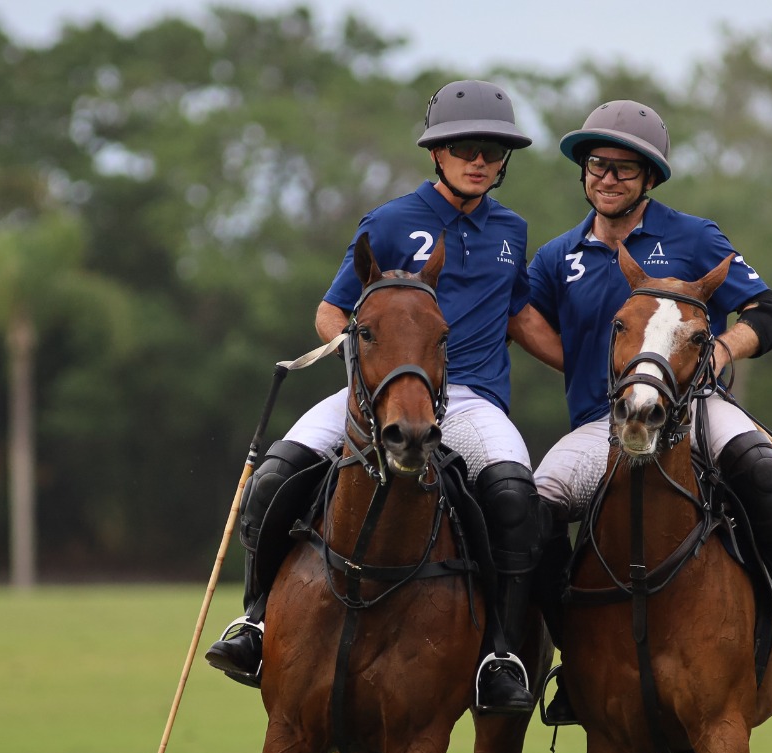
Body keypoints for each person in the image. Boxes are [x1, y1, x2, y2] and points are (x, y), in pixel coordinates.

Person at [205, 79, 553, 715]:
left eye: (494, 150)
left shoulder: (512, 229)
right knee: (276, 475)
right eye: (465, 148)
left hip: (471, 398)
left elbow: (520, 314)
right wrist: (369, 369)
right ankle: (255, 621)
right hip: (379, 396)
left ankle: (500, 654)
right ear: (437, 153)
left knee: (513, 495)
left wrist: (597, 367)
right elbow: (332, 311)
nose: (479, 160)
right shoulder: (391, 221)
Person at [522, 100, 772, 694]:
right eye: (598, 165)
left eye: (625, 169)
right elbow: (521, 318)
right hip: (601, 424)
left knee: (764, 468)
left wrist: (721, 350)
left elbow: (770, 313)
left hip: (695, 409)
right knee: (534, 506)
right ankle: (571, 655)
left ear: (650, 179)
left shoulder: (693, 236)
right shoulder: (558, 256)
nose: (608, 178)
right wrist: (590, 367)